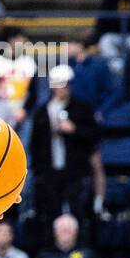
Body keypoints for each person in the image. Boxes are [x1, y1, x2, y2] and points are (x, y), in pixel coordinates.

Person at [29, 64, 99, 237]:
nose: (63, 88)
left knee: (78, 212)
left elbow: (93, 135)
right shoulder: (42, 112)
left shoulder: (81, 109)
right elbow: (35, 145)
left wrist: (74, 130)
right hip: (49, 172)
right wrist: (40, 172)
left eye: (66, 84)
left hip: (75, 172)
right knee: (48, 213)